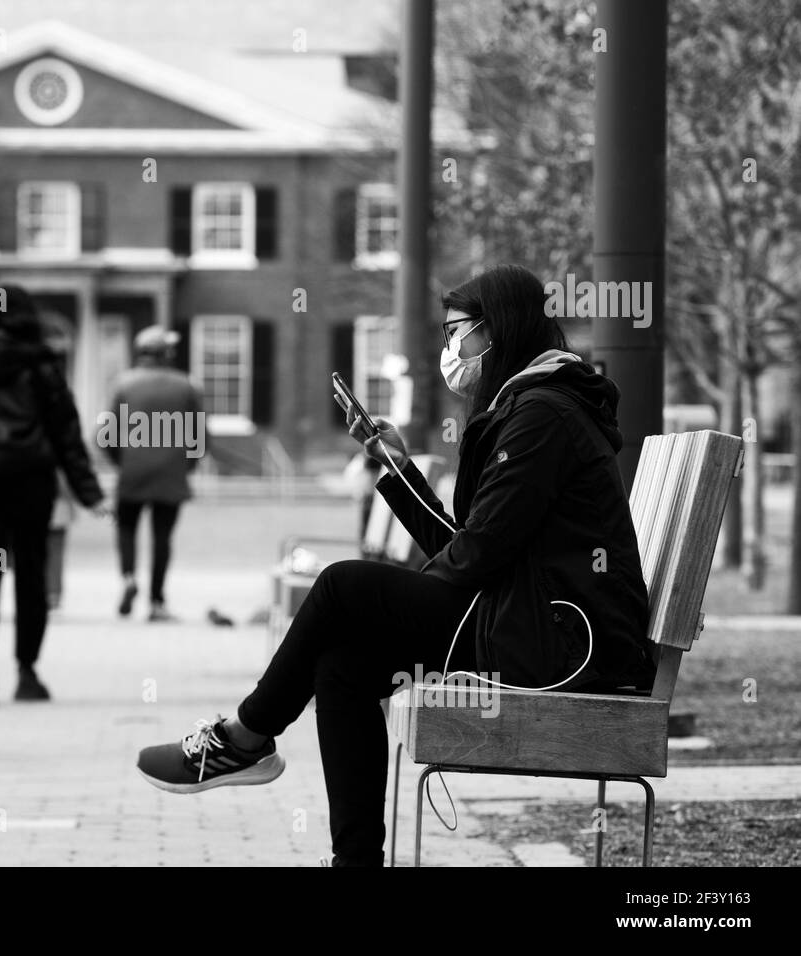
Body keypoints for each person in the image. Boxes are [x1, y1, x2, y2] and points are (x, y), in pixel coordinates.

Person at [136, 264, 657, 865]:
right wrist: (397, 466)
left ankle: (244, 738)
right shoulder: (536, 405)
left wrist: (392, 604)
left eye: (457, 329)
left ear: (497, 331)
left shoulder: (542, 414)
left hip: (561, 649)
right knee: (346, 663)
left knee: (342, 587)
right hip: (539, 627)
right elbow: (473, 546)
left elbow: (476, 556)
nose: (450, 346)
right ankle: (351, 858)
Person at [0, 285, 105, 706]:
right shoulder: (41, 365)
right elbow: (65, 432)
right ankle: (27, 671)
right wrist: (89, 492)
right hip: (30, 481)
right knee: (31, 573)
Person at [104, 327, 203, 621]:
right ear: (165, 354)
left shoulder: (123, 384)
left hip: (133, 471)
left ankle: (128, 578)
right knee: (162, 537)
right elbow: (199, 437)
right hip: (170, 474)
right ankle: (157, 602)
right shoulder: (185, 386)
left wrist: (122, 462)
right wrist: (186, 465)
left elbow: (106, 435)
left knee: (125, 528)